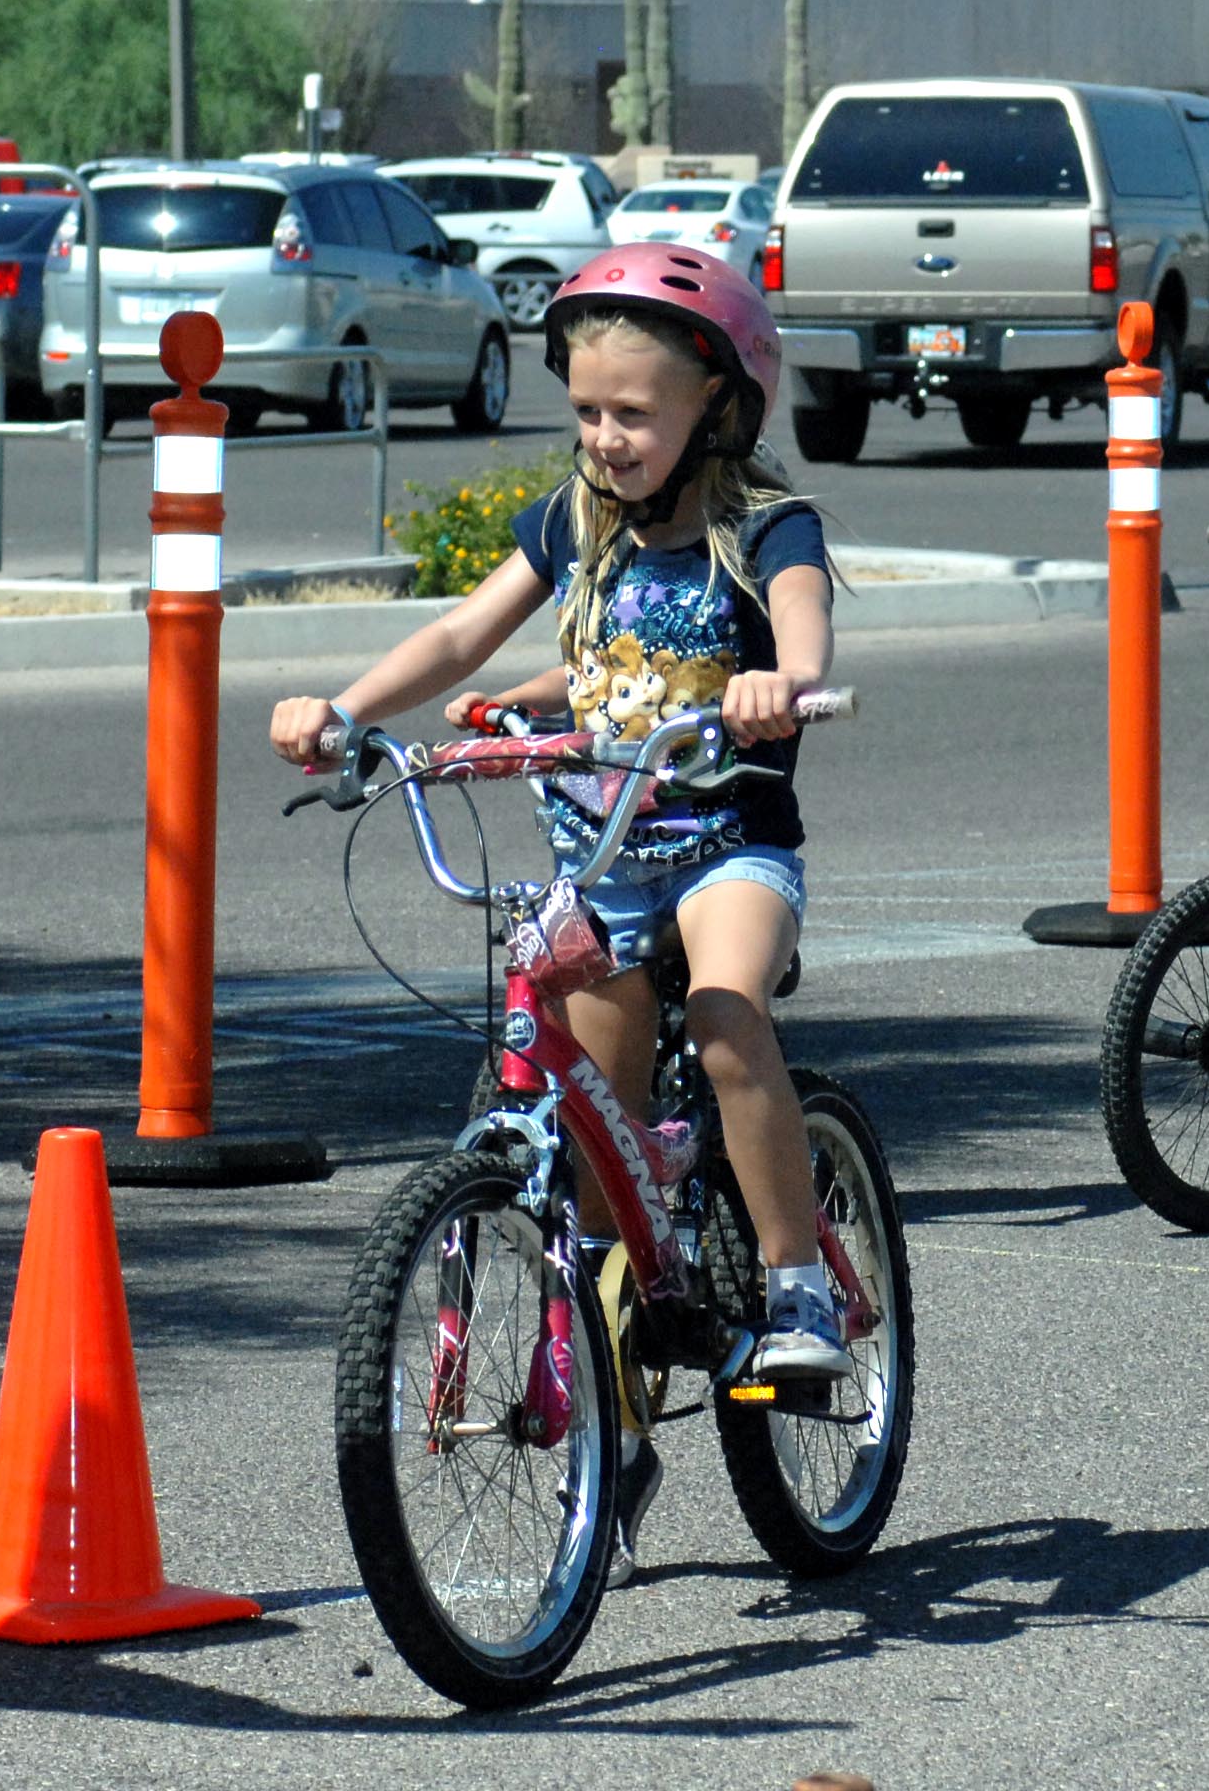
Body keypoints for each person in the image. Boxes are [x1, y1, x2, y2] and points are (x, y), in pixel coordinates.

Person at [267, 244, 853, 1402]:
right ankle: (609, 1424)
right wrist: (344, 710)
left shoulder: (769, 527)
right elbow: (457, 638)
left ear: (719, 407)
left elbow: (803, 621)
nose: (605, 437)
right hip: (605, 861)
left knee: (730, 1017)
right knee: (595, 1149)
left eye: (634, 412)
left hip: (725, 845)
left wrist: (783, 680)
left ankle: (800, 1287)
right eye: (587, 410)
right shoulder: (578, 522)